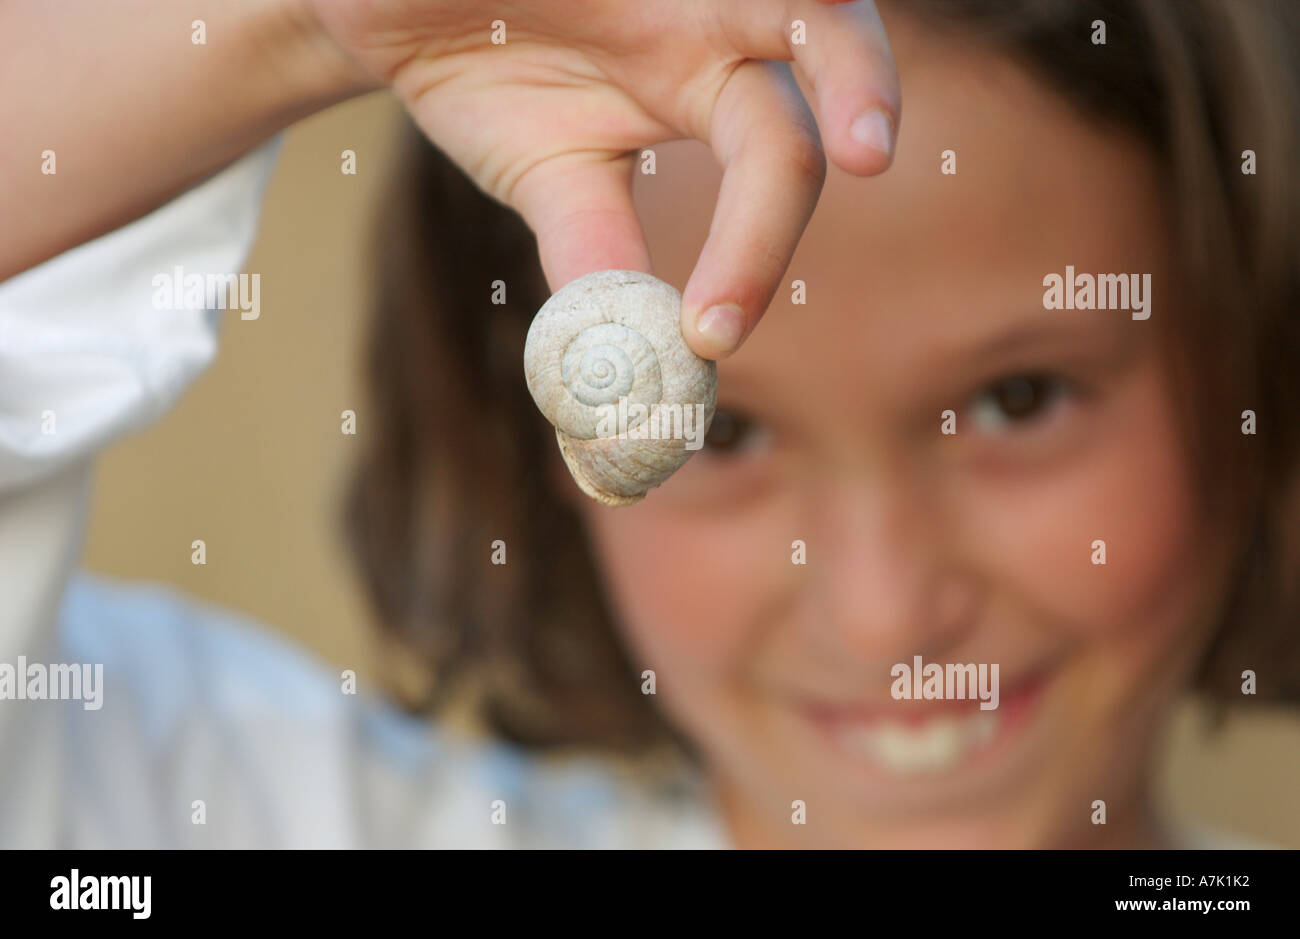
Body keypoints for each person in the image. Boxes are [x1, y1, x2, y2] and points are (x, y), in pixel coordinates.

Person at [0, 0, 1294, 848]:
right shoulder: (258, 808)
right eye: (721, 435)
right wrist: (283, 28)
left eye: (1020, 402)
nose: (884, 610)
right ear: (543, 457)